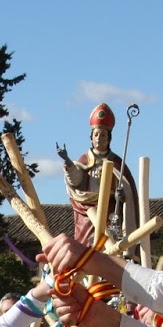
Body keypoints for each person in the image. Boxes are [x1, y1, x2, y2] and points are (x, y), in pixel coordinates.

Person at [59, 102, 139, 242]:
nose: (99, 138)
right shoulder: (84, 160)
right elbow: (75, 181)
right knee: (89, 246)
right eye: (96, 135)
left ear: (109, 139)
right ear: (91, 138)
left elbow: (128, 191)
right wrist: (68, 163)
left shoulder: (117, 163)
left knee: (110, 243)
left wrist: (121, 196)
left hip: (110, 211)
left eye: (103, 135)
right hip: (88, 213)